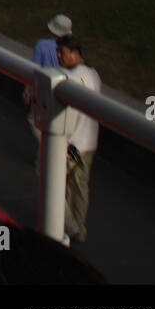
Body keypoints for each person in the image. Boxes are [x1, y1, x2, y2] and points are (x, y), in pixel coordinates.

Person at [52, 35, 100, 245]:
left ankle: (68, 225)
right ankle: (79, 228)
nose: (59, 57)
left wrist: (65, 142)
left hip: (73, 144)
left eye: (61, 53)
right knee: (79, 185)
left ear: (73, 53)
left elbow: (73, 113)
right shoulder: (94, 75)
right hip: (90, 141)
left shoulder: (72, 78)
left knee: (50, 176)